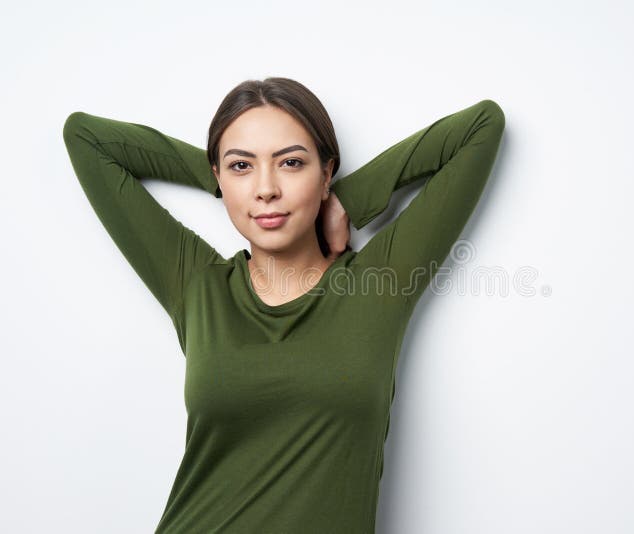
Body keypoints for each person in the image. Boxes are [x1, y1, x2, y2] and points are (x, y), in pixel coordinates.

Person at [62, 76, 505, 533]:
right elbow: (86, 137)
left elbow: (481, 127)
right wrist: (221, 173)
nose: (266, 189)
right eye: (242, 166)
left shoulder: (379, 284)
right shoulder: (197, 285)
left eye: (291, 163)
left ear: (326, 172)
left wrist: (347, 200)